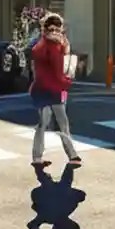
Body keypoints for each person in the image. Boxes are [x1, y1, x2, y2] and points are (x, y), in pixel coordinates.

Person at [30, 12, 81, 168]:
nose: (55, 32)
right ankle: (72, 155)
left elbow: (36, 68)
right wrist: (67, 82)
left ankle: (37, 157)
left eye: (57, 29)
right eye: (52, 29)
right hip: (53, 89)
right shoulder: (53, 47)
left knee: (45, 122)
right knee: (60, 122)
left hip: (43, 88)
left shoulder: (42, 45)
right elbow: (60, 71)